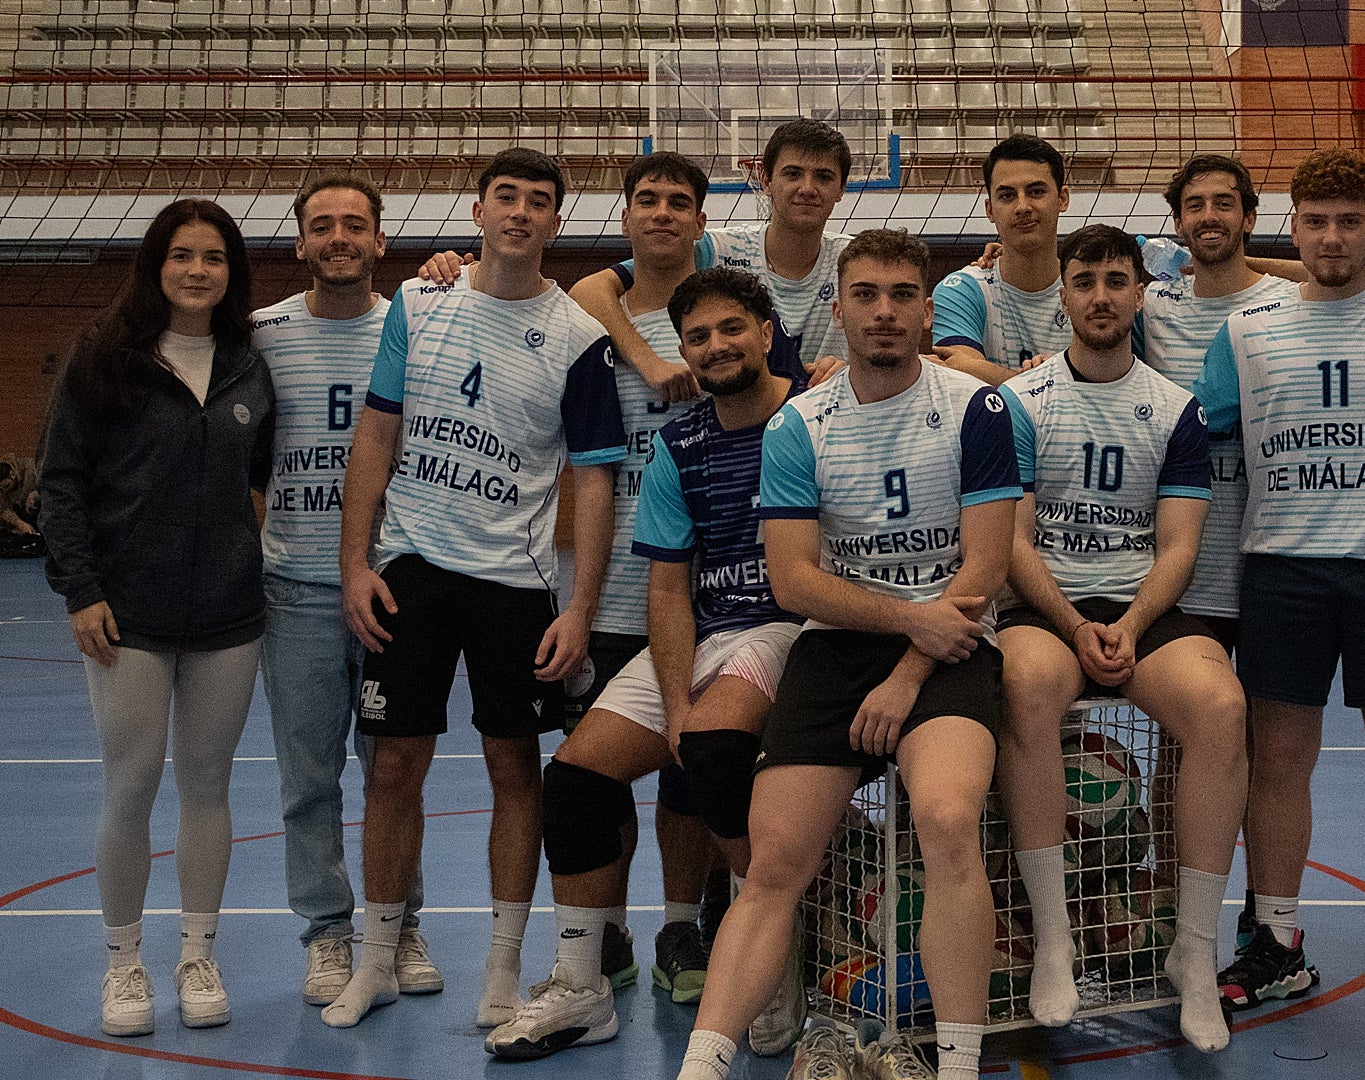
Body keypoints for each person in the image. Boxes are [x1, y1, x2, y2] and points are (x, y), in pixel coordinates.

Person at [675, 229, 1019, 1080]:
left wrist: (909, 670)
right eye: (865, 295)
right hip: (840, 646)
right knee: (774, 864)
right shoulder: (801, 423)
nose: (884, 312)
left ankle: (958, 1067)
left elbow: (984, 567)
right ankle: (701, 1067)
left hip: (953, 644)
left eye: (902, 295)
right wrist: (906, 621)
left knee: (948, 822)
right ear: (838, 309)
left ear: (927, 311)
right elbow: (793, 580)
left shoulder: (976, 408)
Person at [324, 148, 626, 1030]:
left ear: (556, 222)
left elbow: (595, 481)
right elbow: (375, 437)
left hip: (514, 582)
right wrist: (354, 564)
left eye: (539, 201)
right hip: (410, 571)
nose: (520, 212)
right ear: (478, 210)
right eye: (506, 196)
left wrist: (580, 605)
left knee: (513, 768)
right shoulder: (419, 302)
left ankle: (502, 969)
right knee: (392, 768)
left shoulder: (579, 336)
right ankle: (375, 962)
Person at [483, 267, 809, 1060]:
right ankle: (580, 986)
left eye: (732, 329)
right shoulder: (680, 445)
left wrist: (695, 723)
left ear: (767, 335)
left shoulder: (815, 417)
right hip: (711, 631)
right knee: (575, 779)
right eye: (698, 337)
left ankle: (772, 955)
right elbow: (667, 591)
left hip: (795, 628)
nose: (715, 346)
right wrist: (675, 702)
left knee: (717, 751)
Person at [1193, 149, 1365, 1025]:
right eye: (1316, 221)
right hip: (1284, 569)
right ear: (1294, 230)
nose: (1333, 237)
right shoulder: (1247, 330)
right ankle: (1277, 943)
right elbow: (1186, 431)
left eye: (1350, 221)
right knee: (1278, 763)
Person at [994, 224, 1246, 1052]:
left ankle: (1194, 952)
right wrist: (1074, 626)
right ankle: (1056, 940)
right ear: (1062, 296)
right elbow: (1012, 542)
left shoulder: (1175, 410)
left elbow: (1179, 547)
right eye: (1084, 281)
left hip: (1140, 605)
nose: (1100, 297)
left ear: (1141, 294)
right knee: (1025, 686)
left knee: (1221, 707)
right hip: (1049, 606)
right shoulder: (1020, 402)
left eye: (1115, 281)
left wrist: (1131, 624)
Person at [39, 198, 275, 1037]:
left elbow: (266, 472)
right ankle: (124, 965)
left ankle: (197, 957)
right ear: (155, 265)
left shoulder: (249, 365)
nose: (197, 271)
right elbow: (60, 483)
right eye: (182, 255)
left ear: (231, 273)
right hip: (125, 616)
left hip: (228, 615)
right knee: (132, 784)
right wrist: (80, 590)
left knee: (208, 786)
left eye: (214, 257)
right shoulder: (104, 359)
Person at [251, 174, 440, 1009]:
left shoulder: (416, 323)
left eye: (354, 224)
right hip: (295, 590)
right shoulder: (260, 335)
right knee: (309, 781)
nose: (339, 237)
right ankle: (328, 934)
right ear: (300, 242)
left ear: (379, 240)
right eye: (322, 225)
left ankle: (398, 927)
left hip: (394, 586)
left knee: (395, 771)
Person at [1137, 154, 1293, 649]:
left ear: (1249, 218)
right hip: (1181, 574)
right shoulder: (1152, 304)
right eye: (1195, 205)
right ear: (1178, 222)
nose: (1209, 216)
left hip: (1272, 566)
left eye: (1224, 203)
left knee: (1266, 702)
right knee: (1191, 699)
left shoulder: (1293, 302)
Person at [573, 118, 856, 374]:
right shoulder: (719, 248)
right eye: (792, 174)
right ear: (766, 181)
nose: (807, 188)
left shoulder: (855, 261)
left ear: (842, 189)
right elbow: (588, 290)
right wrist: (648, 362)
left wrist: (849, 372)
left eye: (823, 177)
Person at [932, 133, 1074, 385]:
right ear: (990, 210)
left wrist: (1026, 384)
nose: (1023, 207)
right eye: (1007, 195)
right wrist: (1053, 383)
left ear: (1062, 199)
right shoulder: (961, 291)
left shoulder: (1088, 288)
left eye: (1036, 191)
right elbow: (958, 377)